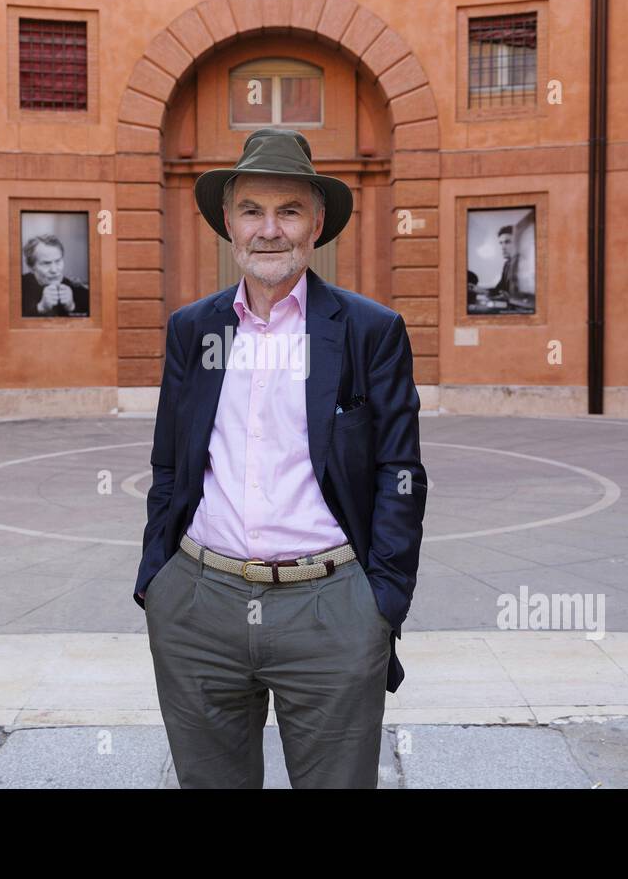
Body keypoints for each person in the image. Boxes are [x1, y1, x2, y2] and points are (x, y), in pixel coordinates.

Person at [133, 127, 427, 788]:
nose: (271, 229)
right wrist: (159, 579)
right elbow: (169, 464)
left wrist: (380, 603)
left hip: (330, 607)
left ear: (317, 224)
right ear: (229, 224)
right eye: (252, 211)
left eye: (289, 211)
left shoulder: (368, 330)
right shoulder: (194, 329)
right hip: (199, 605)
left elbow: (400, 473)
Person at [21, 234, 90, 317]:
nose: (54, 270)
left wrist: (72, 307)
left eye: (58, 261)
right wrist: (40, 308)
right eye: (46, 263)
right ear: (31, 267)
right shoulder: (16, 290)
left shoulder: (81, 292)